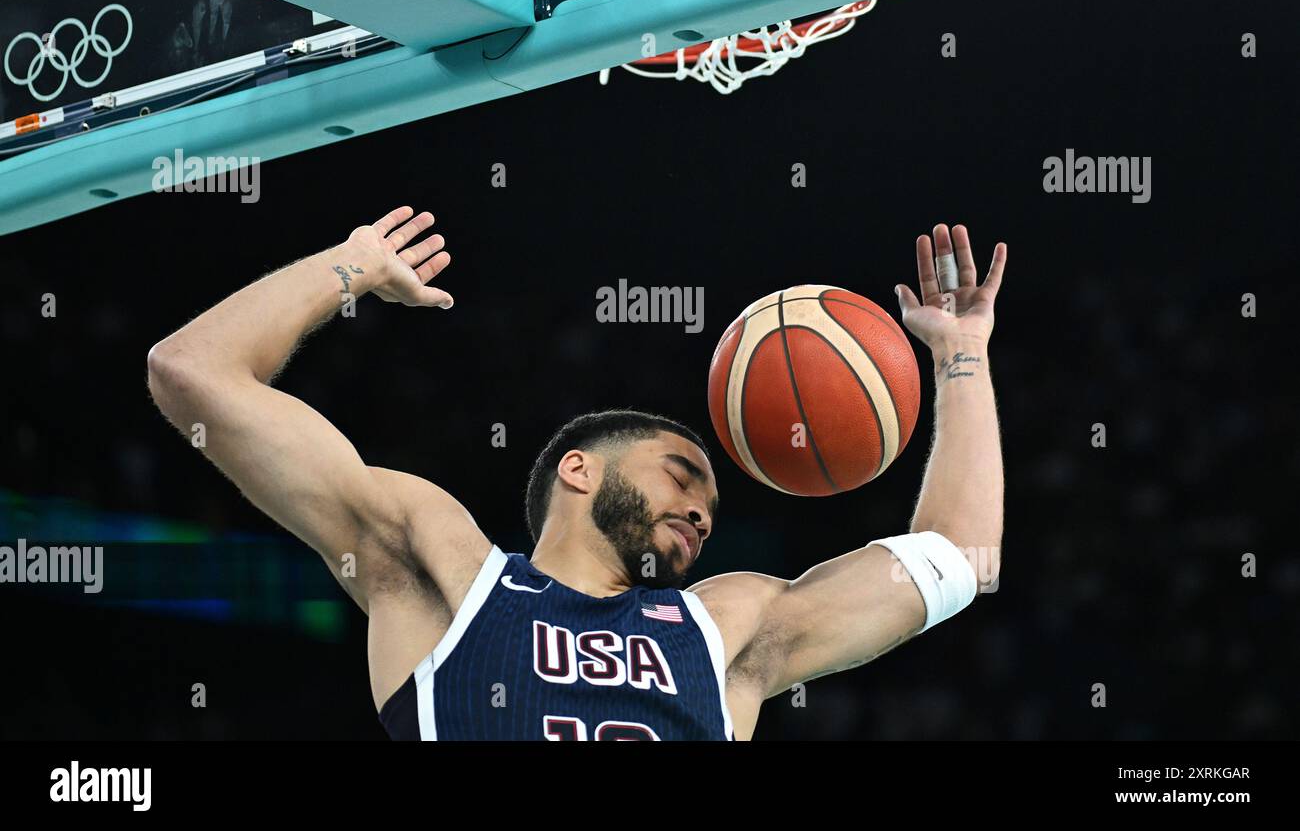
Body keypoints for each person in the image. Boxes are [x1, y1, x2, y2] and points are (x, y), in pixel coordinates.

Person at [146, 206, 1007, 740]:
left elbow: (963, 553)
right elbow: (192, 372)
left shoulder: (728, 628)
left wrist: (962, 357)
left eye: (709, 500)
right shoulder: (446, 574)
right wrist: (353, 268)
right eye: (681, 475)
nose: (702, 511)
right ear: (578, 470)